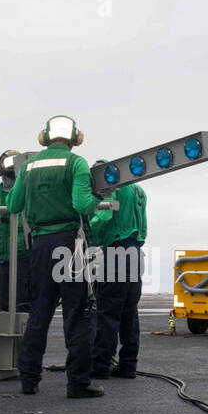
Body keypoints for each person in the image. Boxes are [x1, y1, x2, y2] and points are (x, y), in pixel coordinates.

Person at [7, 116, 102, 398]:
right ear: (74, 138)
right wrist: (99, 199)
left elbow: (13, 204)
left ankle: (28, 379)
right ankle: (78, 383)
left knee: (39, 312)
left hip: (39, 245)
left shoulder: (28, 166)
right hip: (69, 244)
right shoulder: (76, 163)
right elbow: (81, 203)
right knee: (77, 314)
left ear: (45, 137)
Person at [89, 163, 147, 380]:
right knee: (129, 313)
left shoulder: (110, 186)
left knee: (107, 313)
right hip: (135, 252)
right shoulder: (138, 190)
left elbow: (103, 217)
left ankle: (100, 367)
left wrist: (85, 229)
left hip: (115, 251)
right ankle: (128, 365)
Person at [0, 150, 30, 313]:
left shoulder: (28, 191)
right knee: (4, 304)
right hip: (2, 256)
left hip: (23, 255)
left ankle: (23, 337)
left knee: (22, 303)